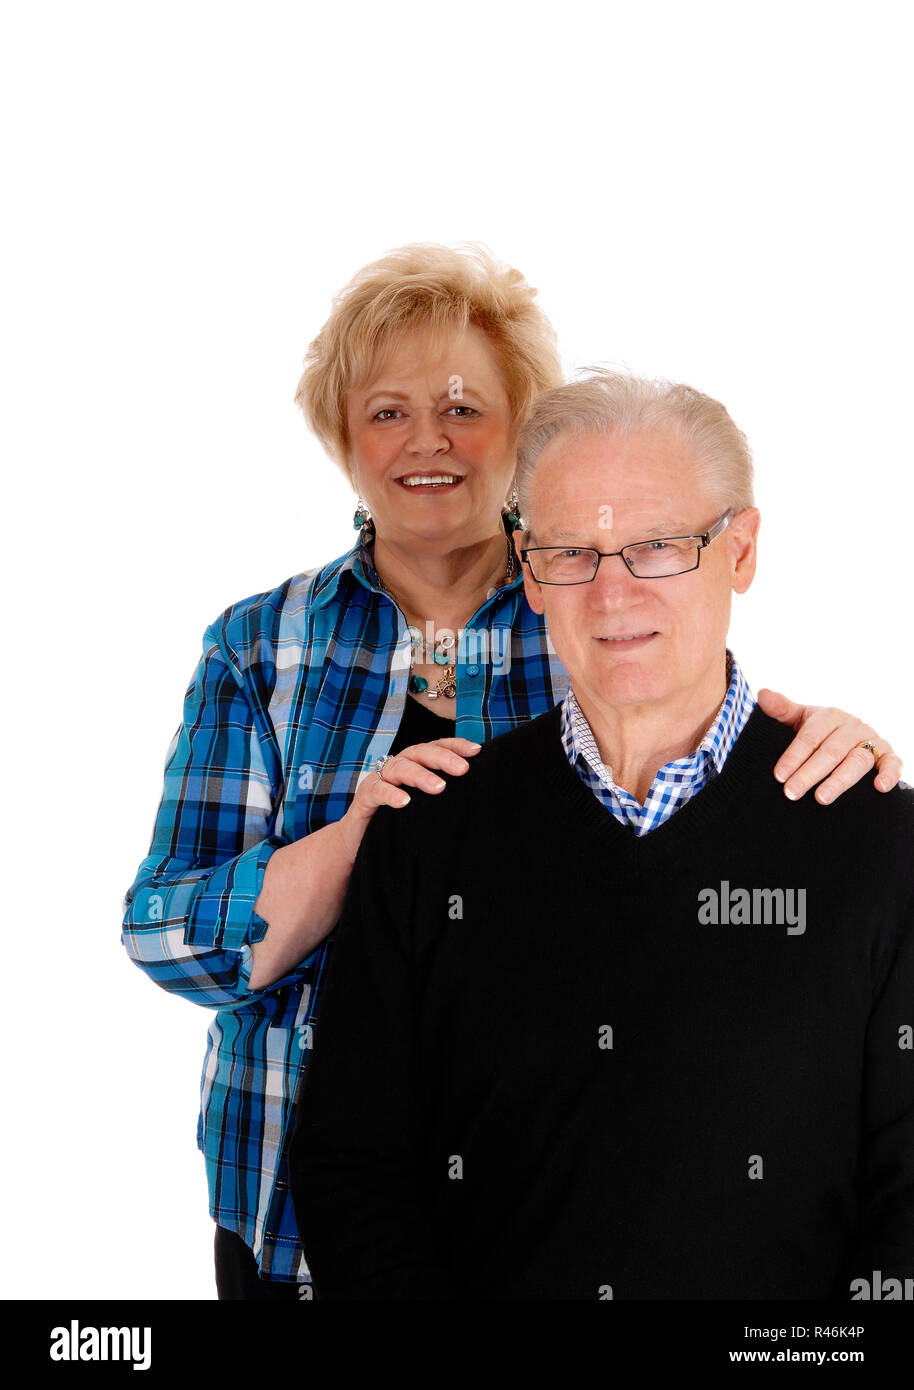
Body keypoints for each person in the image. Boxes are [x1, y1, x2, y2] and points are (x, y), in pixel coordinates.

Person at [121, 246, 902, 1298]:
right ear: (339, 435)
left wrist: (832, 755)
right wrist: (360, 843)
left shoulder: (582, 605)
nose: (425, 441)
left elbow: (688, 750)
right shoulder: (263, 646)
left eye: (460, 408)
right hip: (290, 1200)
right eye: (384, 411)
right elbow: (168, 939)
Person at [288, 369, 914, 1300]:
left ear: (739, 551)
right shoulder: (429, 836)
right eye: (573, 552)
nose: (612, 596)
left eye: (657, 546)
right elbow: (353, 1167)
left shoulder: (877, 839)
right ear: (531, 573)